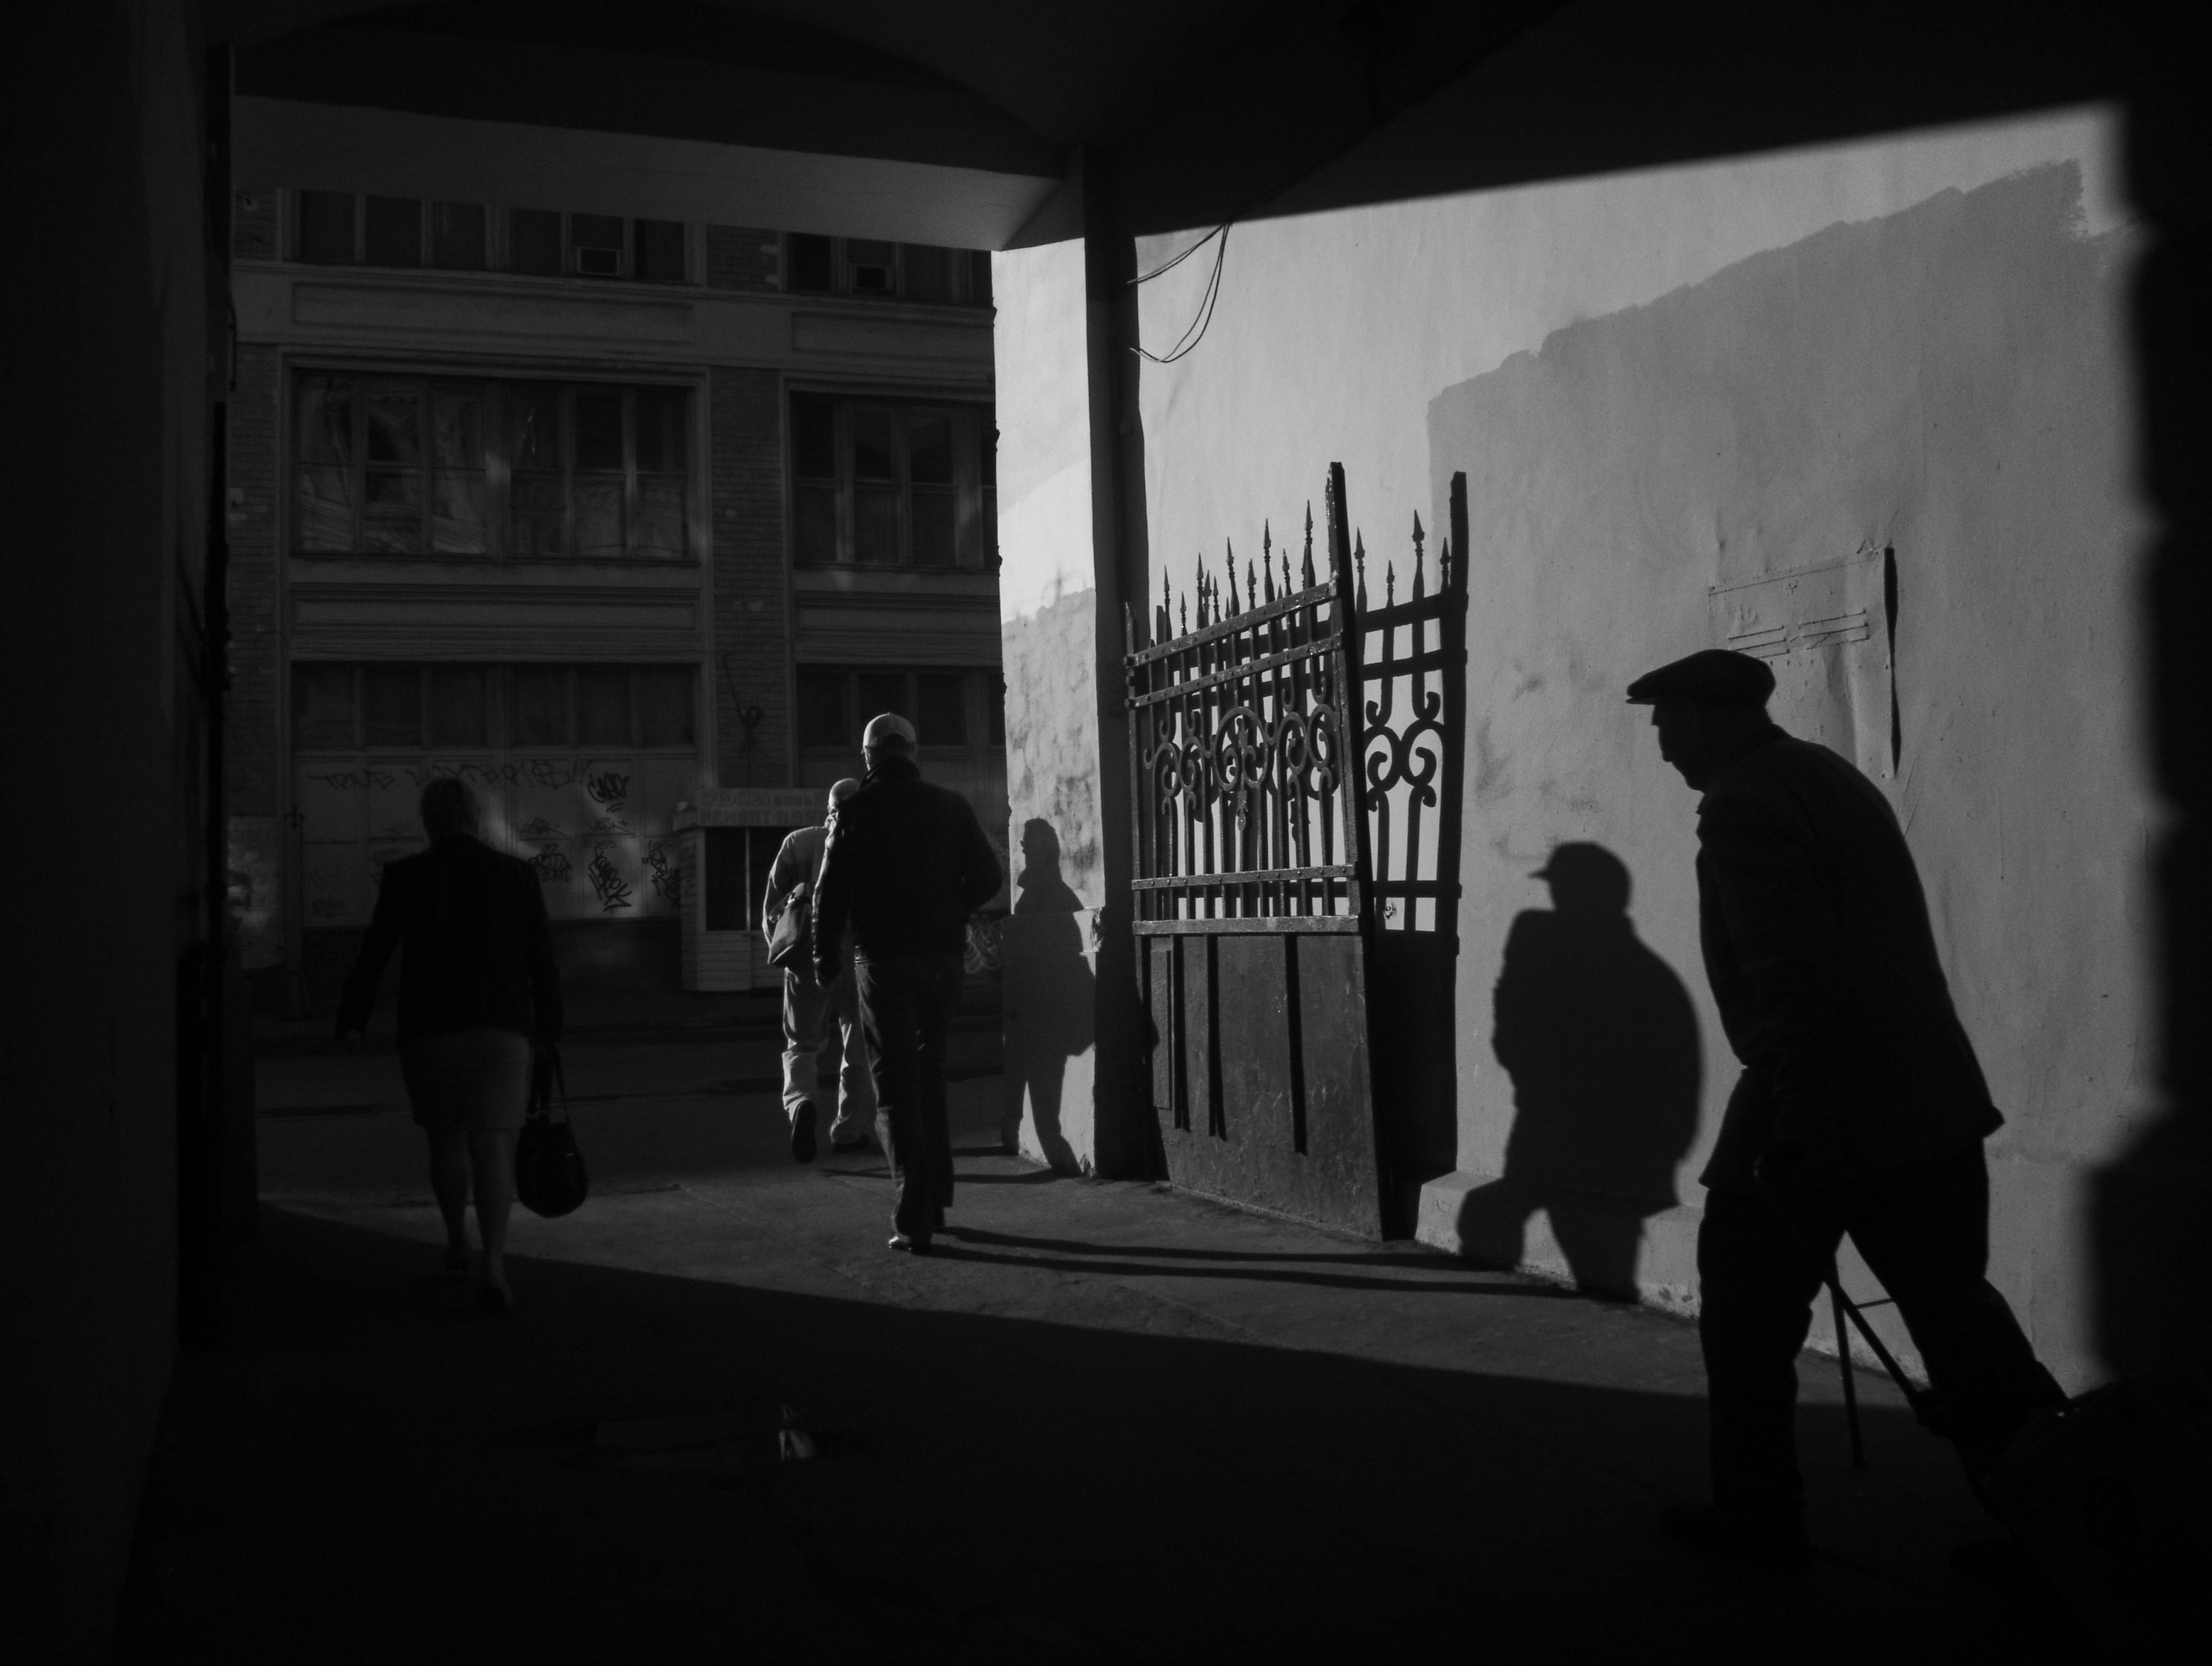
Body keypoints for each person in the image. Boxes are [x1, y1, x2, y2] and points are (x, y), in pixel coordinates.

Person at [1631, 648, 2064, 1569]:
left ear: (1703, 718)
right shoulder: (1827, 775)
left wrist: (1810, 1131)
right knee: (1962, 1325)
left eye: (1665, 723)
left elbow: (1796, 983)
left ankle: (1757, 1517)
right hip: (1924, 1095)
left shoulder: (1746, 806)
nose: (1663, 748)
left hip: (1821, 1096)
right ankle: (2070, 1531)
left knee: (1746, 1313)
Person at [336, 778, 562, 1312]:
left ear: (428, 821)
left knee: (445, 1141)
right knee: (492, 1145)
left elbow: (375, 951)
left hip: (429, 1030)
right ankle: (494, 1265)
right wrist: (549, 1025)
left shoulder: (405, 877)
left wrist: (353, 1018)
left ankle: (457, 1241)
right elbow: (542, 959)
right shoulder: (516, 875)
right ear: (476, 817)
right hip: (500, 1029)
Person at [813, 712, 1002, 1253]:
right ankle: (937, 1199)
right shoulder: (952, 805)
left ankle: (913, 1217)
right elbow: (988, 877)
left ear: (870, 757)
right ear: (913, 753)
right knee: (930, 1072)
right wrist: (950, 913)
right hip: (942, 960)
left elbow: (831, 892)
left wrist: (825, 956)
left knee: (894, 1086)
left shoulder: (853, 811)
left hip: (883, 961)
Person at [763, 779, 873, 1163]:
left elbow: (772, 911)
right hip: (859, 957)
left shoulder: (798, 842)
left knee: (801, 1044)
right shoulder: (873, 845)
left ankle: (802, 1104)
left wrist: (788, 956)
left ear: (829, 807)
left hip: (805, 956)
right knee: (858, 1046)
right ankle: (849, 1129)